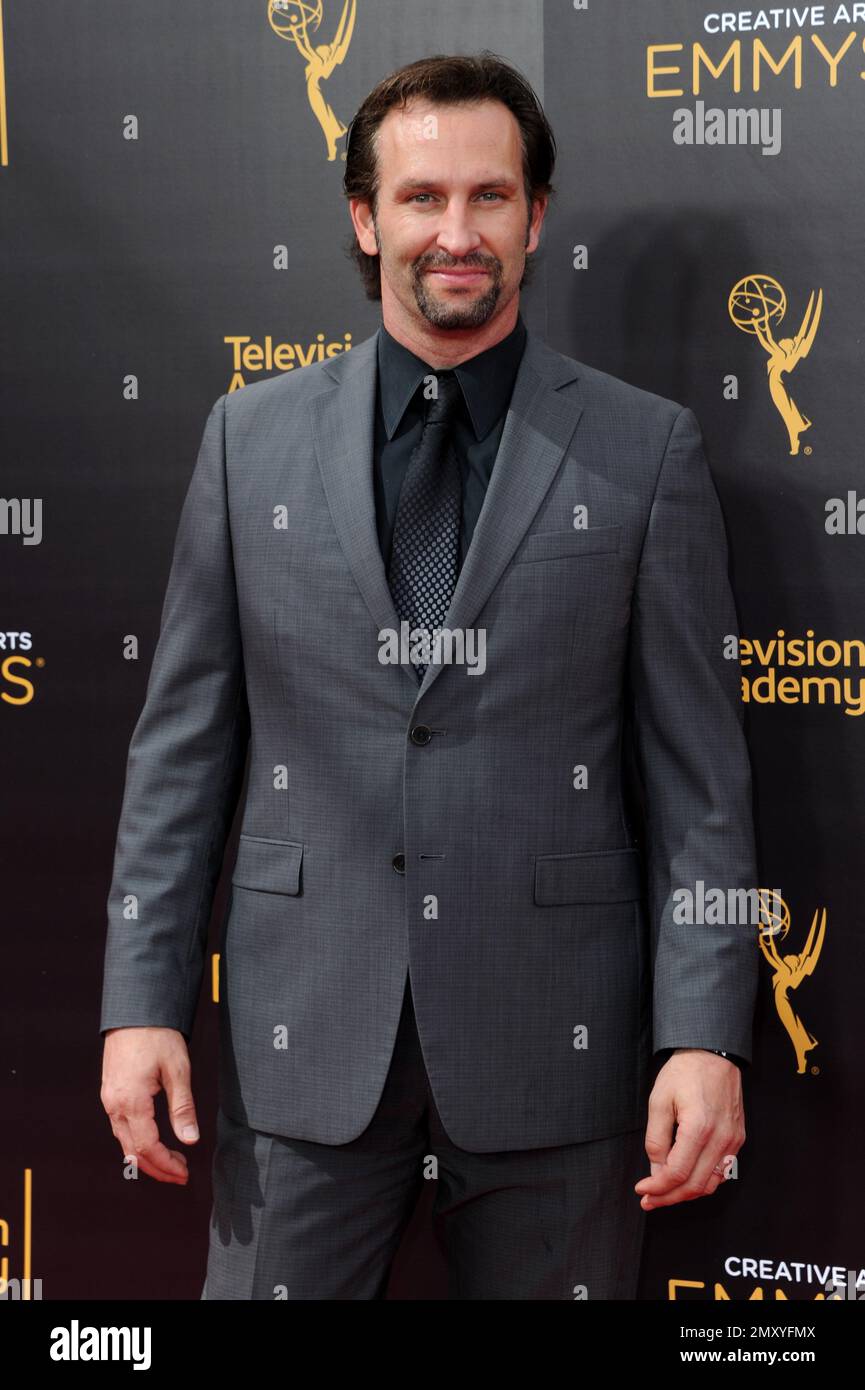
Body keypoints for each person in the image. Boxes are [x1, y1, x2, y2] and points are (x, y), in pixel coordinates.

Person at [99, 52, 759, 1300]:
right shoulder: (249, 441)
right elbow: (181, 753)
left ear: (535, 215)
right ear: (364, 218)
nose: (454, 233)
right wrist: (141, 1002)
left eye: (489, 197)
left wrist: (704, 1032)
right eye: (419, 199)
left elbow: (701, 788)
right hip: (303, 1045)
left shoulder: (643, 449)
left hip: (555, 1053)